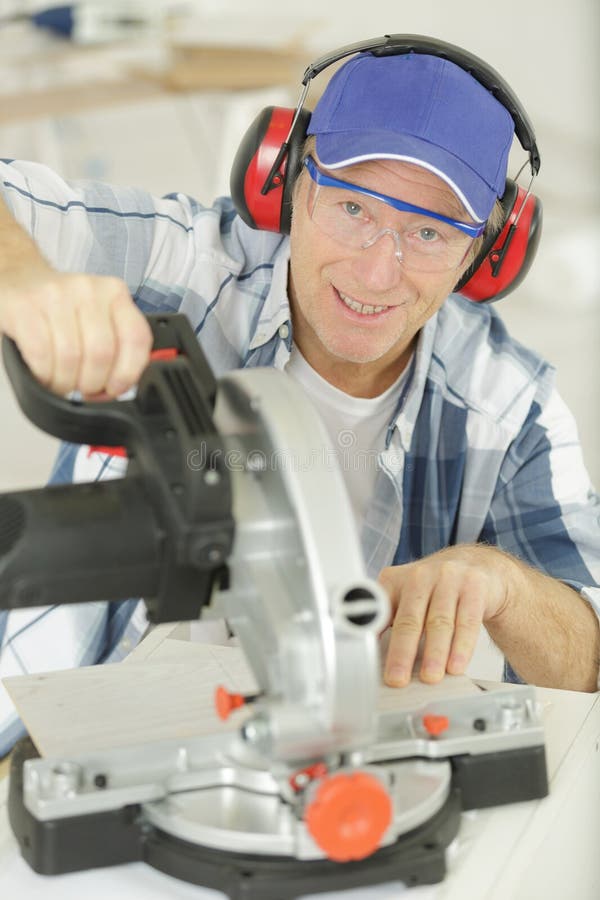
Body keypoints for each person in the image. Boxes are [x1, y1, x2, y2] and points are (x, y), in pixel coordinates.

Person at [0, 38, 598, 755]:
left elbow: (586, 659)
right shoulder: (187, 265)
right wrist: (24, 280)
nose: (379, 271)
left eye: (430, 231)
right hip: (67, 737)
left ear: (486, 254)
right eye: (351, 205)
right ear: (285, 181)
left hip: (323, 769)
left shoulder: (509, 406)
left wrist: (503, 582)